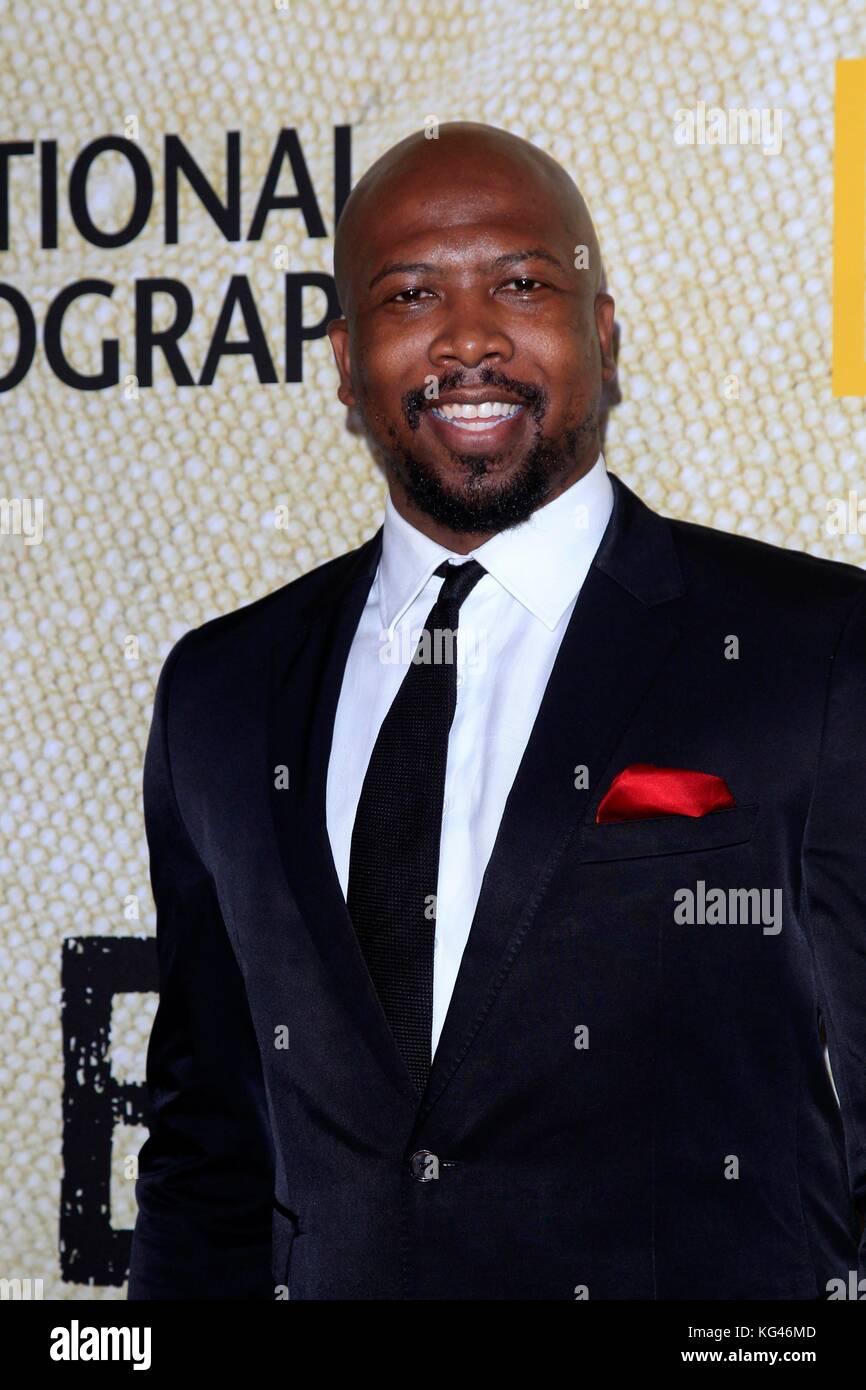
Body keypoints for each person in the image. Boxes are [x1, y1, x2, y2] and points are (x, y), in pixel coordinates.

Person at [128, 121, 866, 1300]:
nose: (468, 337)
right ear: (342, 354)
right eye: (411, 293)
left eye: (520, 283)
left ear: (602, 333)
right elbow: (207, 1153)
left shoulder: (809, 649)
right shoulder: (222, 690)